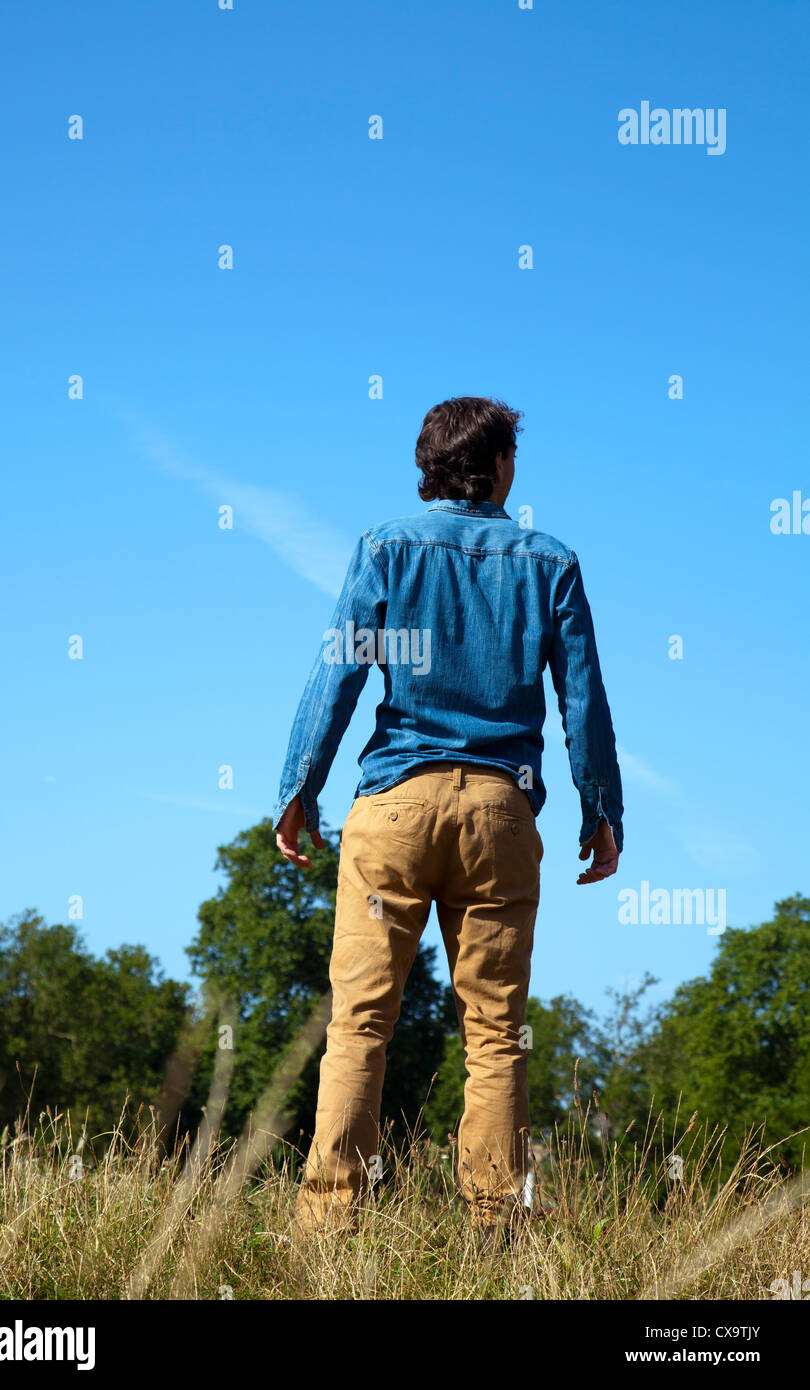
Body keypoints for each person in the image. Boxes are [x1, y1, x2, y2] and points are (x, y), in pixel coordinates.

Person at [272, 396, 623, 1245]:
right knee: (496, 1033)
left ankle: (328, 1230)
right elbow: (583, 699)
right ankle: (496, 1232)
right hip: (501, 812)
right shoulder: (551, 560)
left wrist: (299, 788)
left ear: (426, 467)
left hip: (393, 806)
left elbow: (339, 675)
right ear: (501, 465)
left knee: (359, 1020)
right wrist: (601, 809)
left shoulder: (385, 546)